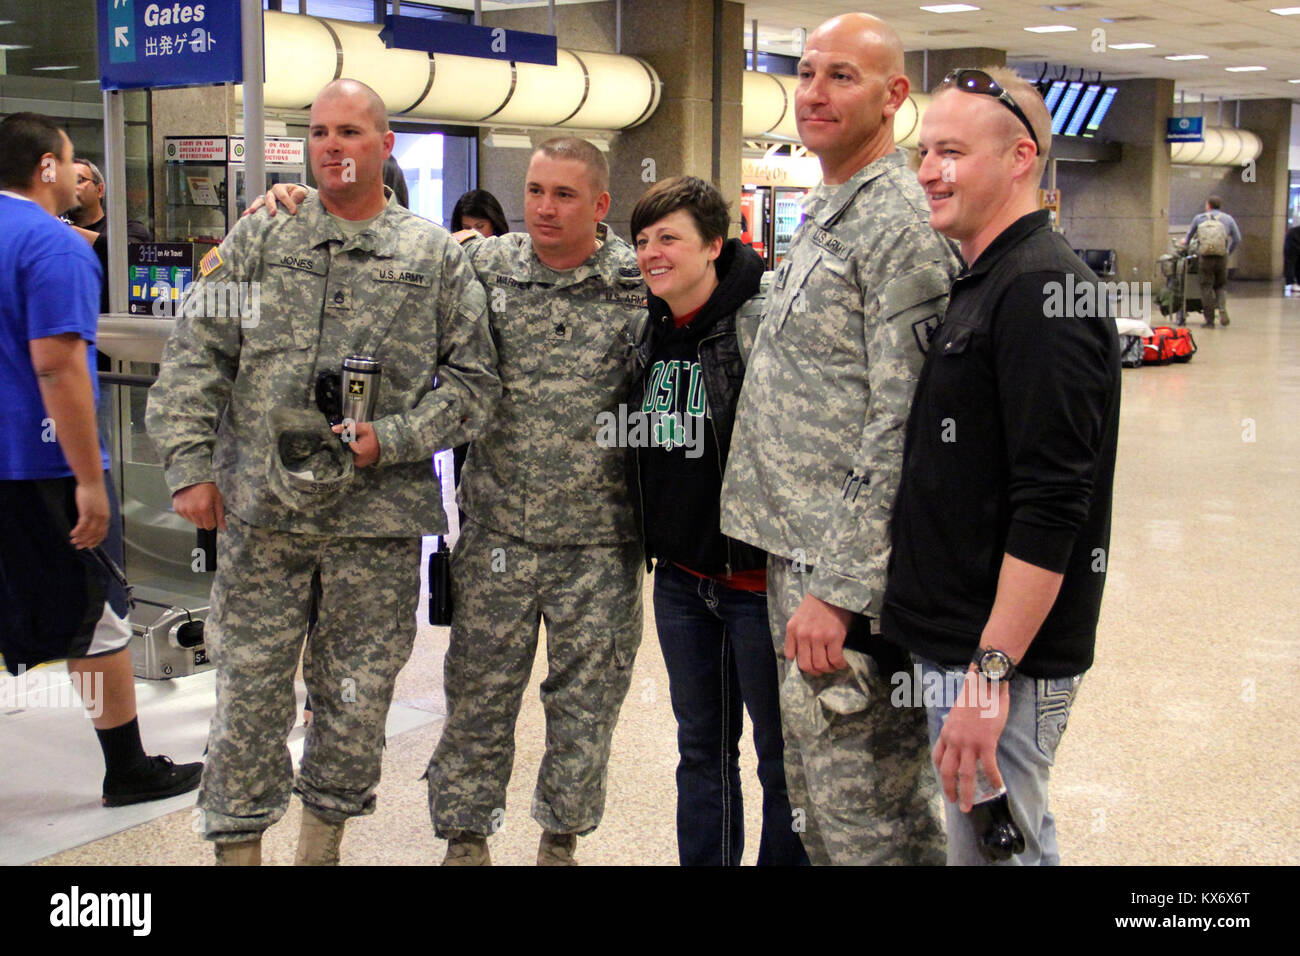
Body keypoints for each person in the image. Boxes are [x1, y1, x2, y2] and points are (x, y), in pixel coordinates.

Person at [252, 136, 643, 867]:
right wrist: (314, 205)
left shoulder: (634, 282)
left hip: (602, 542)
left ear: (600, 204)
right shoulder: (483, 265)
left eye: (564, 195)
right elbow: (389, 257)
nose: (544, 208)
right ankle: (466, 840)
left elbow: (722, 293)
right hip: (497, 534)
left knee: (586, 711)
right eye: (534, 191)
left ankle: (559, 841)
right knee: (478, 700)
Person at [146, 78, 501, 866]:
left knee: (355, 698)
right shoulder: (262, 239)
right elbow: (199, 353)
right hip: (262, 516)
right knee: (248, 693)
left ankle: (321, 849)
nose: (332, 146)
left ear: (385, 146)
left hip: (373, 528)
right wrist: (188, 466)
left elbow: (477, 386)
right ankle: (237, 849)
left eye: (349, 131)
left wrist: (399, 436)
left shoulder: (432, 256)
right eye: (319, 133)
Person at [719, 12, 961, 866]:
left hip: (847, 580)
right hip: (798, 557)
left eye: (841, 77)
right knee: (822, 808)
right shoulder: (830, 211)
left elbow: (904, 423)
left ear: (894, 96)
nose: (814, 92)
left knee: (872, 819)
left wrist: (843, 590)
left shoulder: (898, 223)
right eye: (807, 72)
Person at [886, 67, 1120, 866]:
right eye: (925, 151)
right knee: (984, 850)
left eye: (951, 151)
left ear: (1021, 158)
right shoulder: (987, 279)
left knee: (1000, 853)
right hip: (963, 646)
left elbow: (1053, 503)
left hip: (999, 662)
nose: (927, 170)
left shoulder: (1043, 291)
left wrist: (989, 675)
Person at [0, 112, 203, 808]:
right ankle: (128, 766)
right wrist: (91, 479)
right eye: (68, 158)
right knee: (96, 621)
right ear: (45, 168)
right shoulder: (52, 247)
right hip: (38, 468)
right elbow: (59, 369)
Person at [628, 175, 807, 866]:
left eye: (668, 238)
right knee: (700, 751)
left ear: (713, 245)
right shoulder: (649, 319)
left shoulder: (764, 322)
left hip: (760, 583)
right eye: (642, 241)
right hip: (681, 581)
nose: (651, 253)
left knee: (781, 761)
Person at [65, 158, 153, 315]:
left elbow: (126, 252)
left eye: (79, 180)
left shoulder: (129, 229)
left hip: (111, 324)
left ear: (100, 190)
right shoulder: (55, 232)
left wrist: (63, 229)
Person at [1184, 196, 1241, 327]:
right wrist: (1228, 252)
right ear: (1219, 206)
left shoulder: (1199, 218)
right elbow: (1237, 238)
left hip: (1205, 258)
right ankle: (1222, 309)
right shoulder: (1228, 219)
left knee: (1206, 287)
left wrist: (1186, 245)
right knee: (1220, 285)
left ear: (1208, 205)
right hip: (1221, 257)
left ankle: (1209, 320)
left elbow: (1188, 239)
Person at [1283, 223, 1300, 294]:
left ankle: (1292, 282)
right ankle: (1291, 282)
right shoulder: (1295, 233)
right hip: (1294, 238)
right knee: (1291, 261)